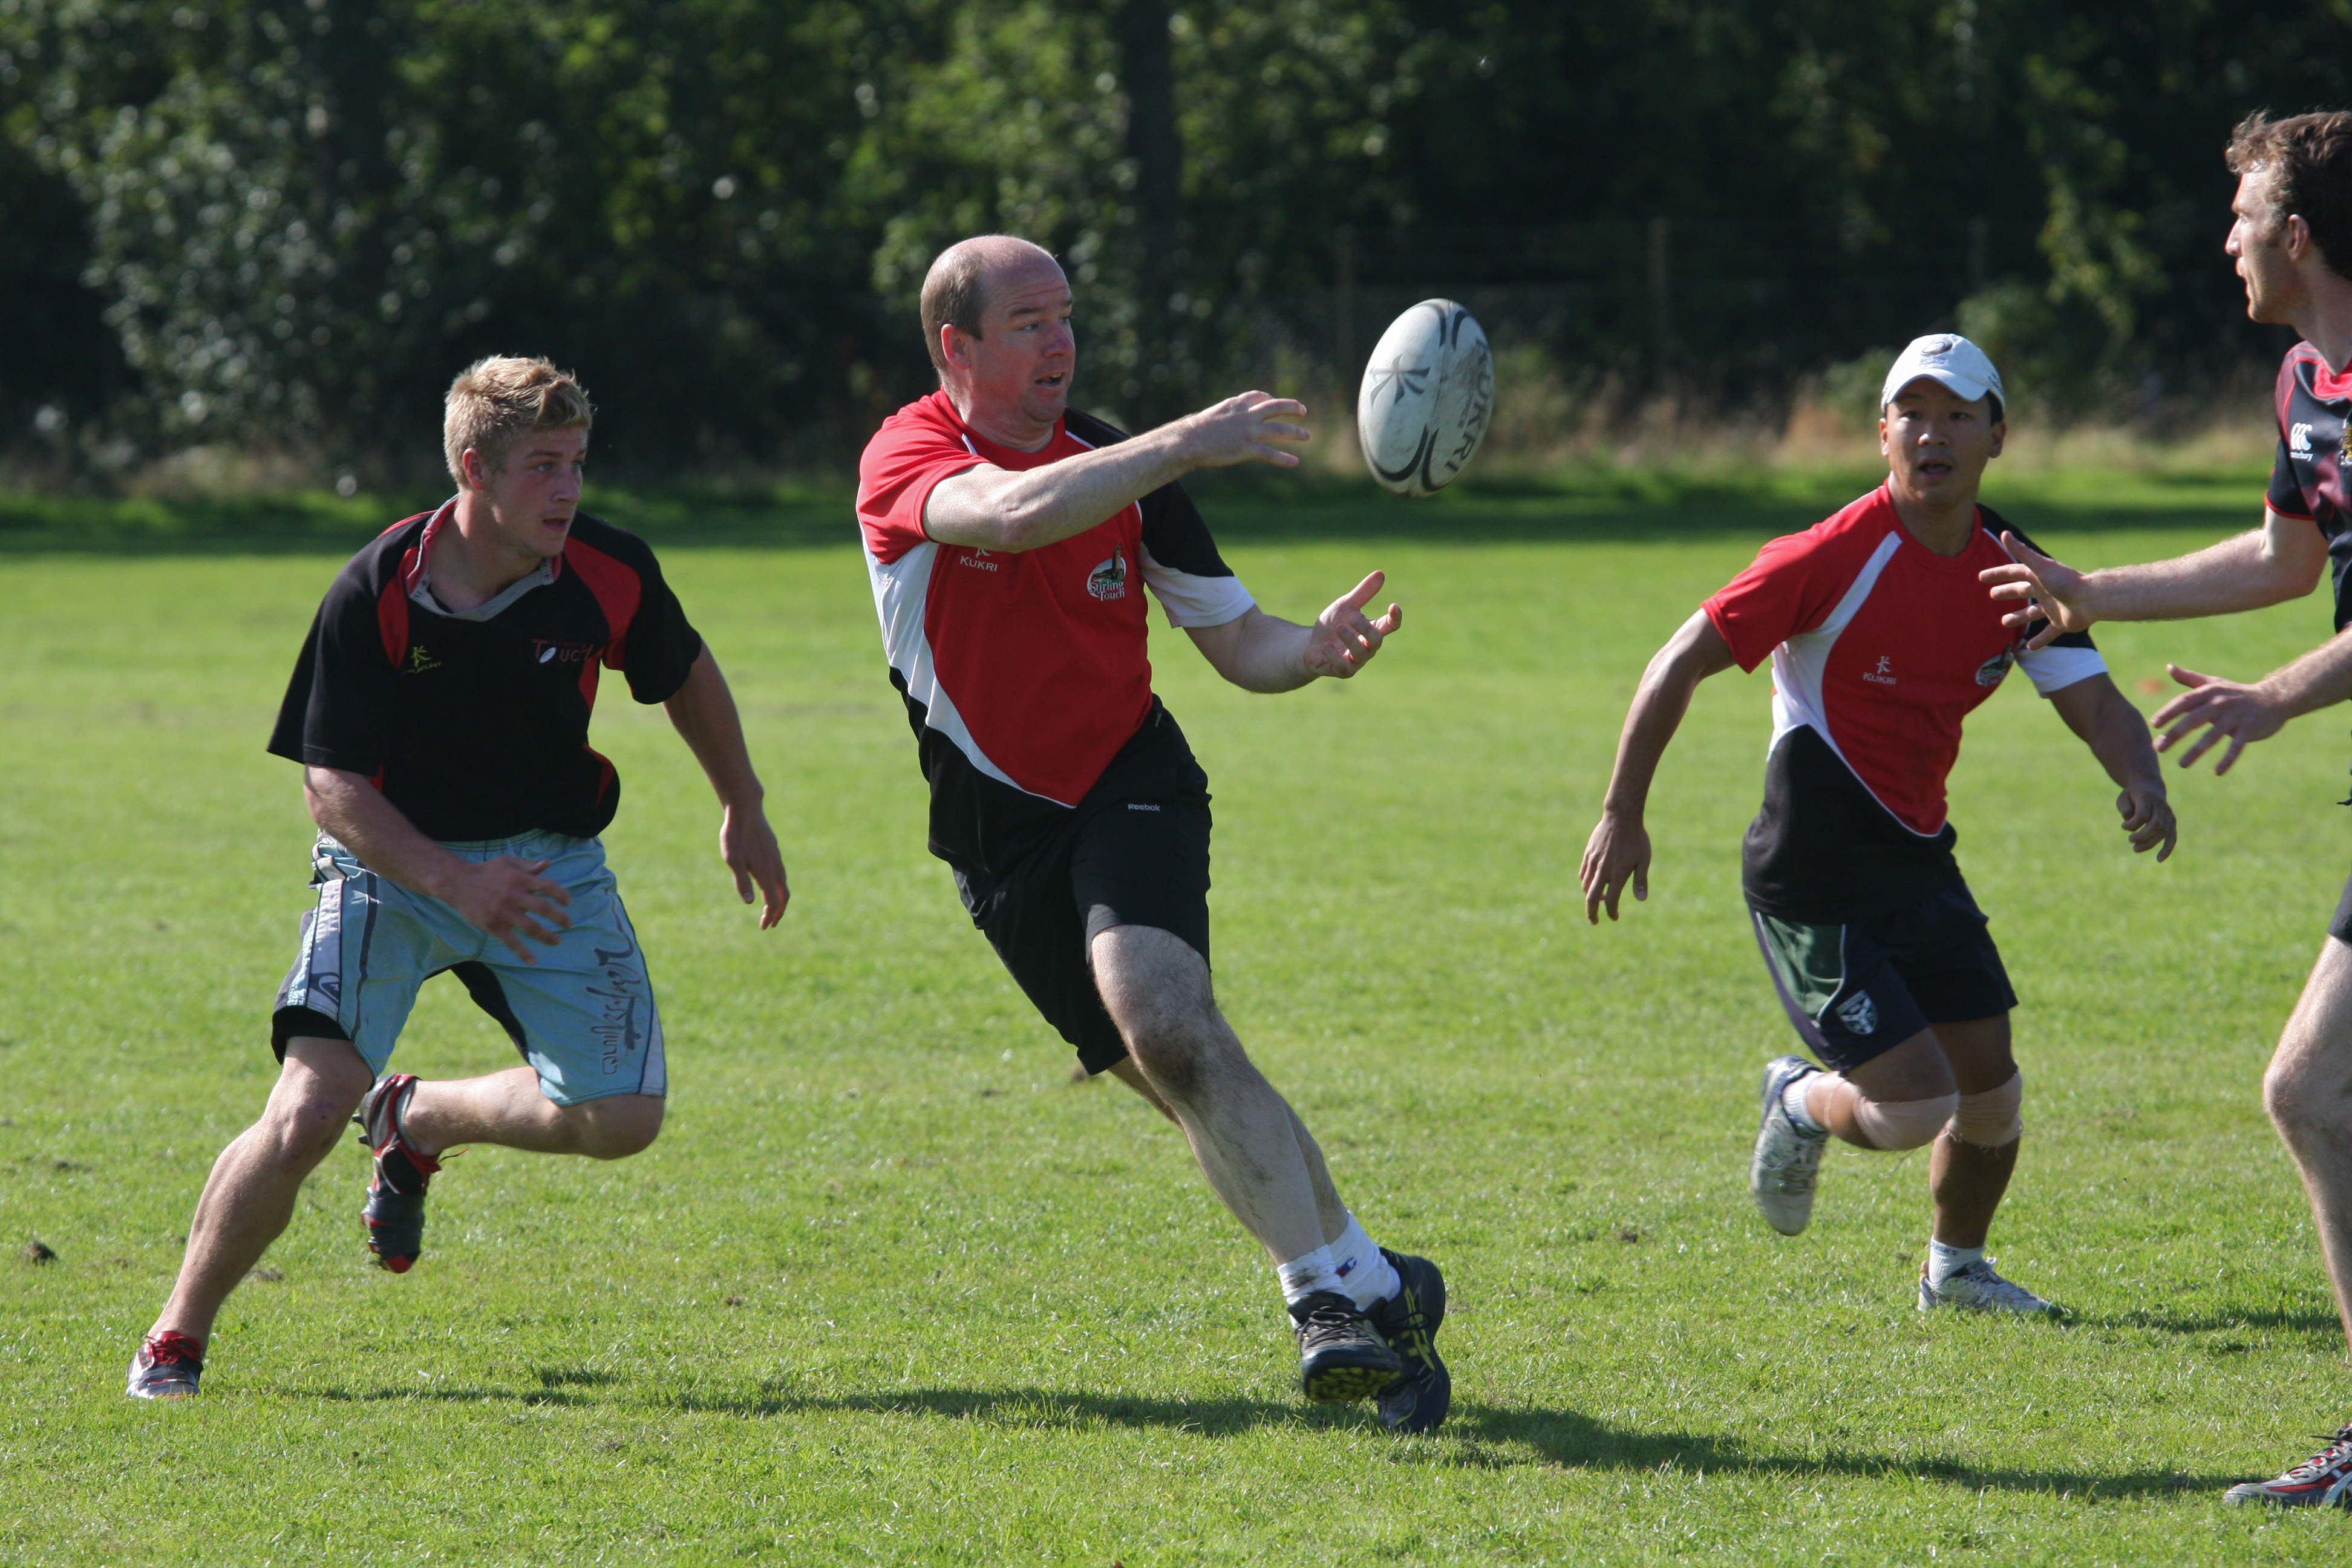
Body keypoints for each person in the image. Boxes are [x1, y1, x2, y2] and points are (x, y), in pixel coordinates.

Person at [854, 235, 1448, 1432]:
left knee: (1166, 1021)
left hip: (1132, 780)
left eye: (1066, 317)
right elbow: (1010, 516)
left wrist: (1312, 653)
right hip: (997, 842)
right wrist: (1180, 440)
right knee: (1183, 1079)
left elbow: (1238, 642)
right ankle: (1384, 1287)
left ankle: (1317, 1306)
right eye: (1028, 324)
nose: (1059, 343)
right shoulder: (911, 454)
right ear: (954, 348)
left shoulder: (1123, 468)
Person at [125, 356, 790, 1400]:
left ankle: (419, 1119)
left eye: (576, 464)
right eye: (541, 468)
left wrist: (743, 803)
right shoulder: (379, 585)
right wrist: (454, 883)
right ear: (474, 470)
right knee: (305, 1111)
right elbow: (331, 785)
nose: (568, 490)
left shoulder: (606, 570)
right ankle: (176, 1336)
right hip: (389, 865)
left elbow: (683, 670)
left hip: (548, 862)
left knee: (624, 1119)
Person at [1581, 333, 2177, 1315]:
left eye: (1956, 415)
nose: (1932, 433)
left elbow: (2100, 703)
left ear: (1997, 436)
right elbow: (1676, 660)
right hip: (1812, 879)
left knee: (1992, 1093)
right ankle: (1797, 1099)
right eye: (1913, 412)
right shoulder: (1830, 555)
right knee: (1914, 1105)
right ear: (1883, 433)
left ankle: (1957, 1272)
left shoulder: (2013, 572)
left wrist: (2141, 778)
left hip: (1917, 860)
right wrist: (1623, 812)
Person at [1981, 111, 2352, 1506]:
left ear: (2299, 234)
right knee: (2314, 1092)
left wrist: (2272, 701)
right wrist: (2089, 593)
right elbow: (2278, 557)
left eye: (2246, 215)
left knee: (2311, 1090)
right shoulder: (2307, 381)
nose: (2228, 240)